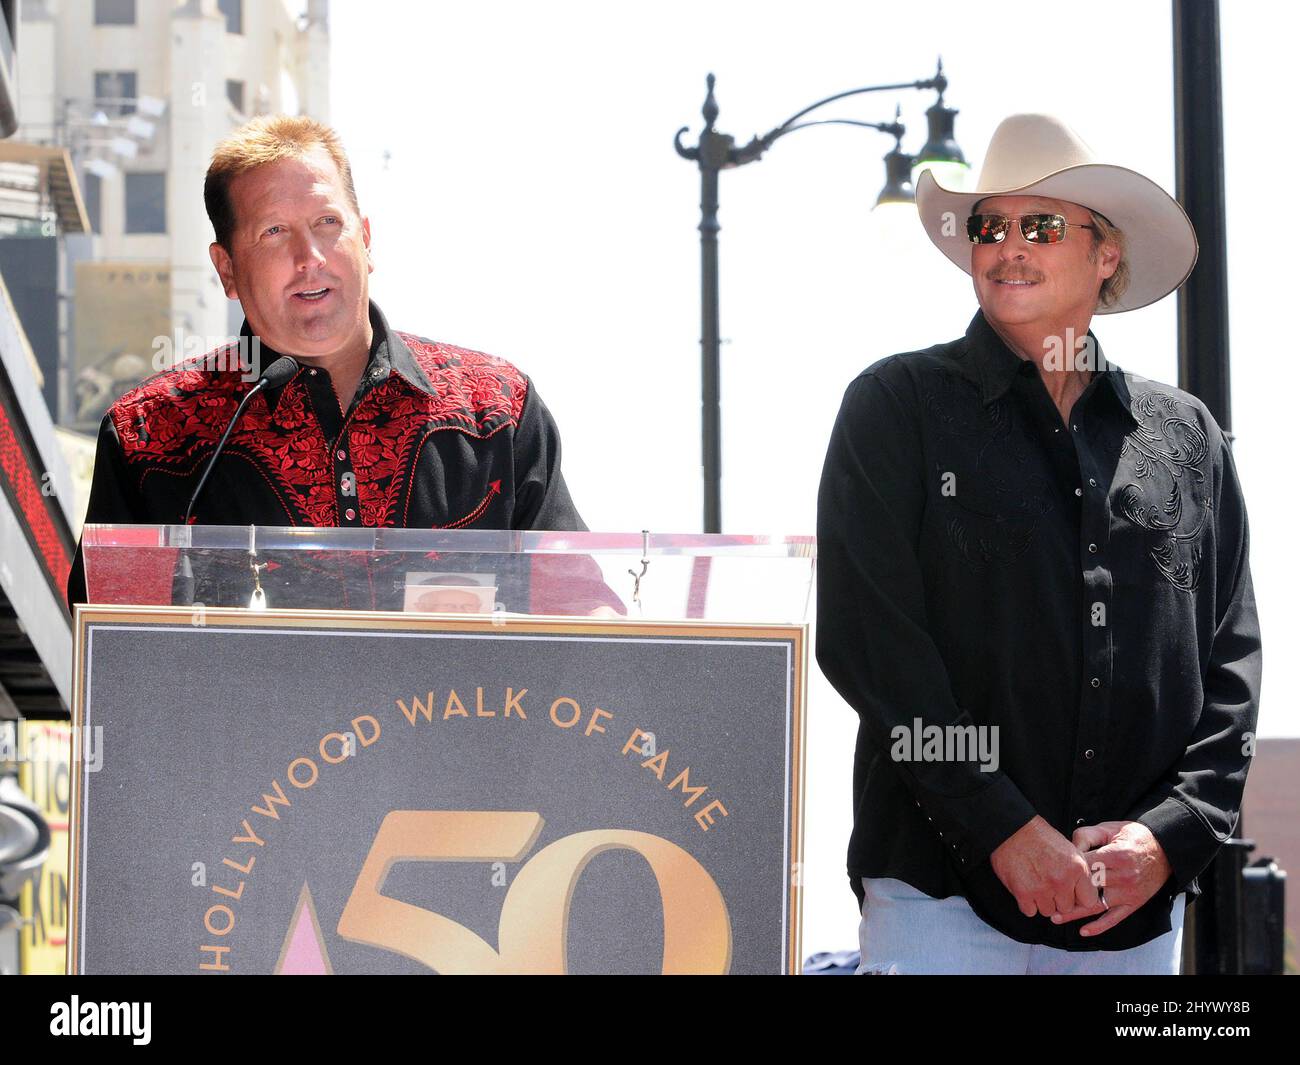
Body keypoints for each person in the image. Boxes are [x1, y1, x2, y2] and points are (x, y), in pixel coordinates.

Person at [816, 113, 1261, 974]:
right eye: (991, 226)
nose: (1007, 246)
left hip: (1126, 913)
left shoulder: (1189, 436)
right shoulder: (895, 406)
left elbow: (1232, 661)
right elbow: (873, 647)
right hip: (935, 898)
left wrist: (1171, 835)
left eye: (1041, 226)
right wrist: (1000, 825)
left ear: (1106, 255)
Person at [66, 115, 617, 614]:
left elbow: (583, 614)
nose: (311, 258)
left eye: (328, 222)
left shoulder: (497, 409)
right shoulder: (152, 434)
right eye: (274, 232)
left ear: (367, 240)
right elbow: (112, 656)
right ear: (227, 269)